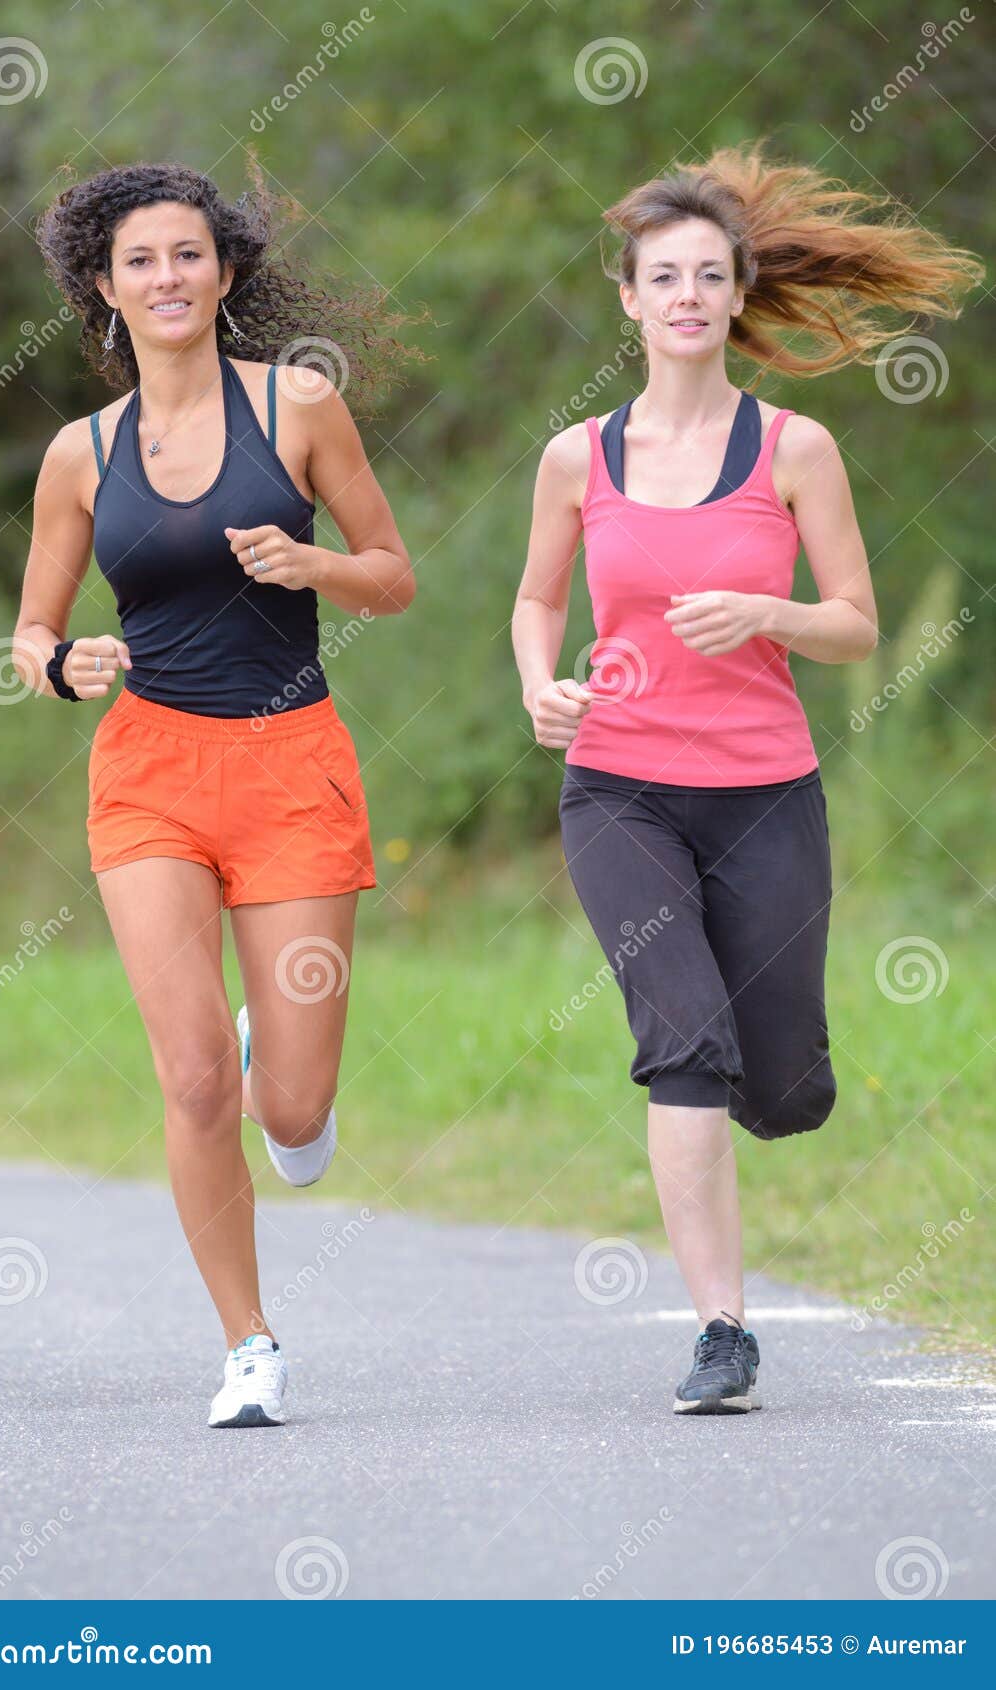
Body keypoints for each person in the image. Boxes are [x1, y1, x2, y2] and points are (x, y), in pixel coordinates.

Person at [512, 141, 983, 1416]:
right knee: (686, 1045)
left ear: (734, 294)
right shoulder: (578, 458)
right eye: (661, 276)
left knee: (779, 1084)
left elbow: (857, 625)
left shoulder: (796, 449)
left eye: (707, 276)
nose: (684, 296)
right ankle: (724, 1330)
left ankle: (779, 1090)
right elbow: (538, 596)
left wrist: (767, 613)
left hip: (767, 789)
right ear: (629, 297)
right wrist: (537, 682)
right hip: (619, 788)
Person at [13, 162, 415, 1428]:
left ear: (225, 272)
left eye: (189, 255)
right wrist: (62, 666)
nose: (167, 278)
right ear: (102, 287)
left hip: (291, 761)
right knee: (192, 1082)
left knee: (289, 1110)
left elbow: (395, 574)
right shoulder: (78, 456)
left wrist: (313, 562)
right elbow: (32, 630)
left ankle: (275, 1066)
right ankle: (249, 1342)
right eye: (141, 260)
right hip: (149, 776)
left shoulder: (298, 406)